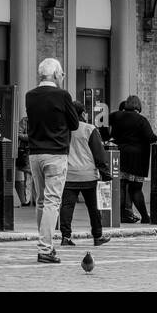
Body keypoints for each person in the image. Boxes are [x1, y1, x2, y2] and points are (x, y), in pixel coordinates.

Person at [24, 58, 78, 264]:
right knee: (52, 201)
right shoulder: (62, 95)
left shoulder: (30, 96)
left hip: (35, 153)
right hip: (56, 153)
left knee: (41, 201)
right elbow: (74, 123)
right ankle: (45, 248)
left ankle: (46, 244)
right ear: (56, 74)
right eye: (62, 74)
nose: (62, 77)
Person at [59, 101, 113, 247]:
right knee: (93, 207)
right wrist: (105, 172)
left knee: (67, 207)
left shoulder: (63, 129)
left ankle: (65, 236)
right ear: (82, 114)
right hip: (88, 175)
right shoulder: (89, 129)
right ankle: (97, 236)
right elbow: (99, 154)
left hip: (69, 174)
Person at [108, 96, 157, 224]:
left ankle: (120, 215)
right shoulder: (141, 120)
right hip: (137, 158)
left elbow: (105, 129)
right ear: (138, 106)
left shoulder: (115, 116)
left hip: (120, 155)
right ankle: (145, 216)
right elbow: (151, 137)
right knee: (135, 189)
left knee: (121, 186)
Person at [15, 116, 32, 208]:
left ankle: (36, 199)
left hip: (39, 150)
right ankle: (27, 200)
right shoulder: (25, 120)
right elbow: (18, 134)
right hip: (28, 151)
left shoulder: (43, 119)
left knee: (38, 176)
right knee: (28, 176)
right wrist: (32, 137)